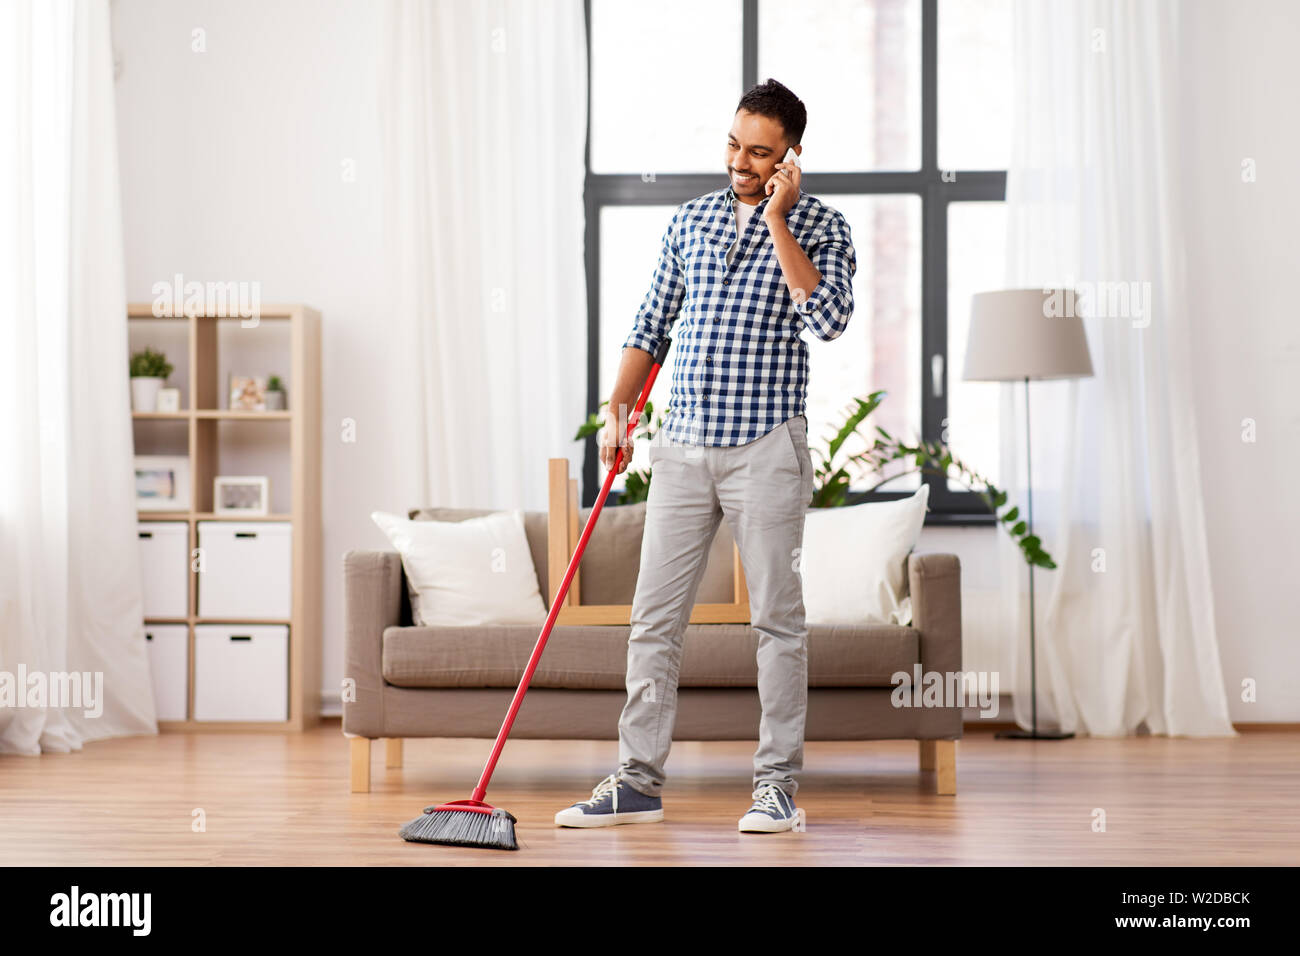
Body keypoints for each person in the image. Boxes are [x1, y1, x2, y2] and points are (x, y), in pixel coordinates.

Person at [555, 78, 856, 834]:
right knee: (654, 622)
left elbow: (828, 318)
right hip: (683, 447)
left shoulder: (822, 225)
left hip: (767, 447)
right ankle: (636, 780)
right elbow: (649, 323)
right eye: (734, 144)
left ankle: (777, 787)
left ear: (791, 156)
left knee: (778, 624)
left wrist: (779, 218)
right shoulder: (688, 222)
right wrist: (619, 413)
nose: (741, 161)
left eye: (760, 153)